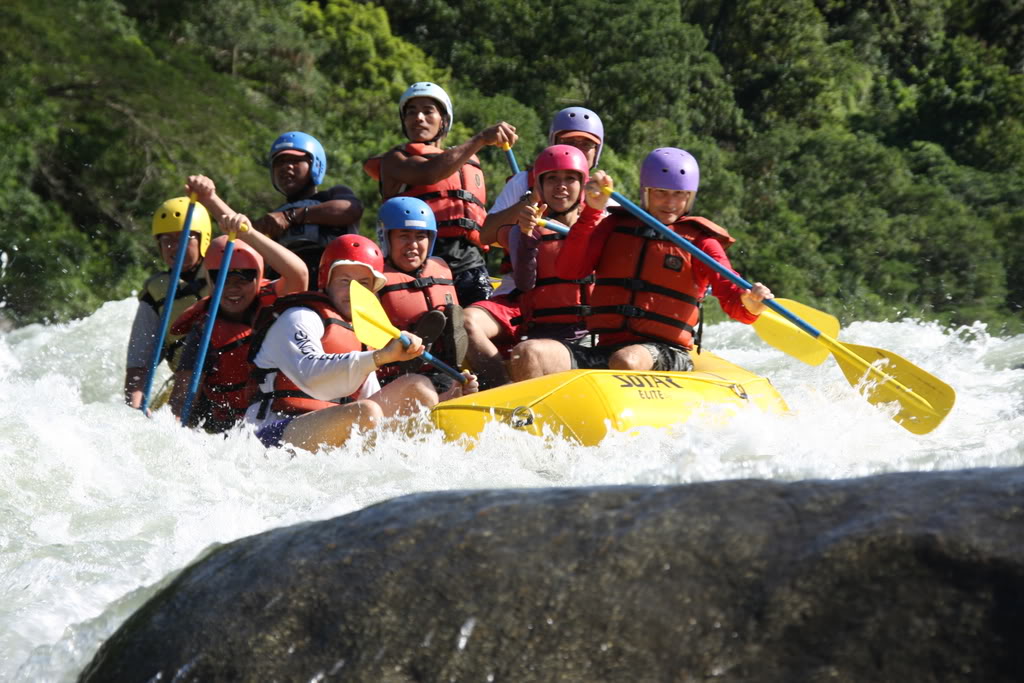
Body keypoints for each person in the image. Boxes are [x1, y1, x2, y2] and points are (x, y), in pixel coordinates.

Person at [509, 147, 773, 381]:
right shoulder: (614, 226)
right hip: (607, 348)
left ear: (690, 197)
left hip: (667, 354)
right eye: (660, 193)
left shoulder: (701, 242)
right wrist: (592, 211)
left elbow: (733, 298)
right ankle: (532, 427)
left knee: (627, 360)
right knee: (527, 353)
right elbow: (569, 269)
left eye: (679, 195)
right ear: (646, 192)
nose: (670, 203)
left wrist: (750, 304)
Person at [244, 234, 478, 451]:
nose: (352, 291)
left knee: (418, 388)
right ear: (326, 280)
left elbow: (377, 400)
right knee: (365, 413)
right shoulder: (299, 316)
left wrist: (449, 398)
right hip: (271, 433)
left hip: (337, 426)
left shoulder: (360, 333)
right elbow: (312, 375)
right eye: (345, 280)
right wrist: (380, 357)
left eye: (363, 284)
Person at [465, 107, 607, 386]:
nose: (577, 149)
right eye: (569, 142)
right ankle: (501, 389)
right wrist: (527, 211)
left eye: (586, 145)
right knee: (466, 321)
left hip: (577, 311)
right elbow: (488, 235)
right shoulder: (525, 183)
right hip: (521, 298)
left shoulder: (604, 201)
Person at [166, 175, 310, 432]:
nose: (232, 287)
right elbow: (181, 400)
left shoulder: (273, 303)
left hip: (271, 419)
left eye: (243, 277)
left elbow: (299, 273)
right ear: (209, 281)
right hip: (222, 433)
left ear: (259, 278)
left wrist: (248, 232)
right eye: (222, 278)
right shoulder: (203, 330)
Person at [363, 82, 518, 306]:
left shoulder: (468, 162)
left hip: (470, 263)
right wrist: (481, 139)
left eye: (428, 111)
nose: (418, 117)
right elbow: (427, 173)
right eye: (411, 112)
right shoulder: (395, 160)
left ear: (444, 120)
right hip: (419, 259)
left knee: (479, 320)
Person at [123, 196, 213, 409]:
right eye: (167, 240)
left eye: (184, 238)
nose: (175, 247)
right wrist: (134, 411)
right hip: (185, 385)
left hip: (229, 378)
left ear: (203, 239)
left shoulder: (226, 276)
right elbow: (139, 366)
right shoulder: (155, 294)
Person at [375, 196, 468, 393]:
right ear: (385, 238)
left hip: (445, 375)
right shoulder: (373, 282)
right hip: (395, 383)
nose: (413, 245)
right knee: (422, 387)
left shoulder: (441, 270)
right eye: (404, 236)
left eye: (420, 236)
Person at [251, 131, 363, 286]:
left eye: (295, 161)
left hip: (336, 286)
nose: (285, 167)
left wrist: (290, 217)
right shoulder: (273, 216)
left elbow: (350, 210)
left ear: (316, 164)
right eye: (279, 162)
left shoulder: (333, 195)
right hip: (290, 288)